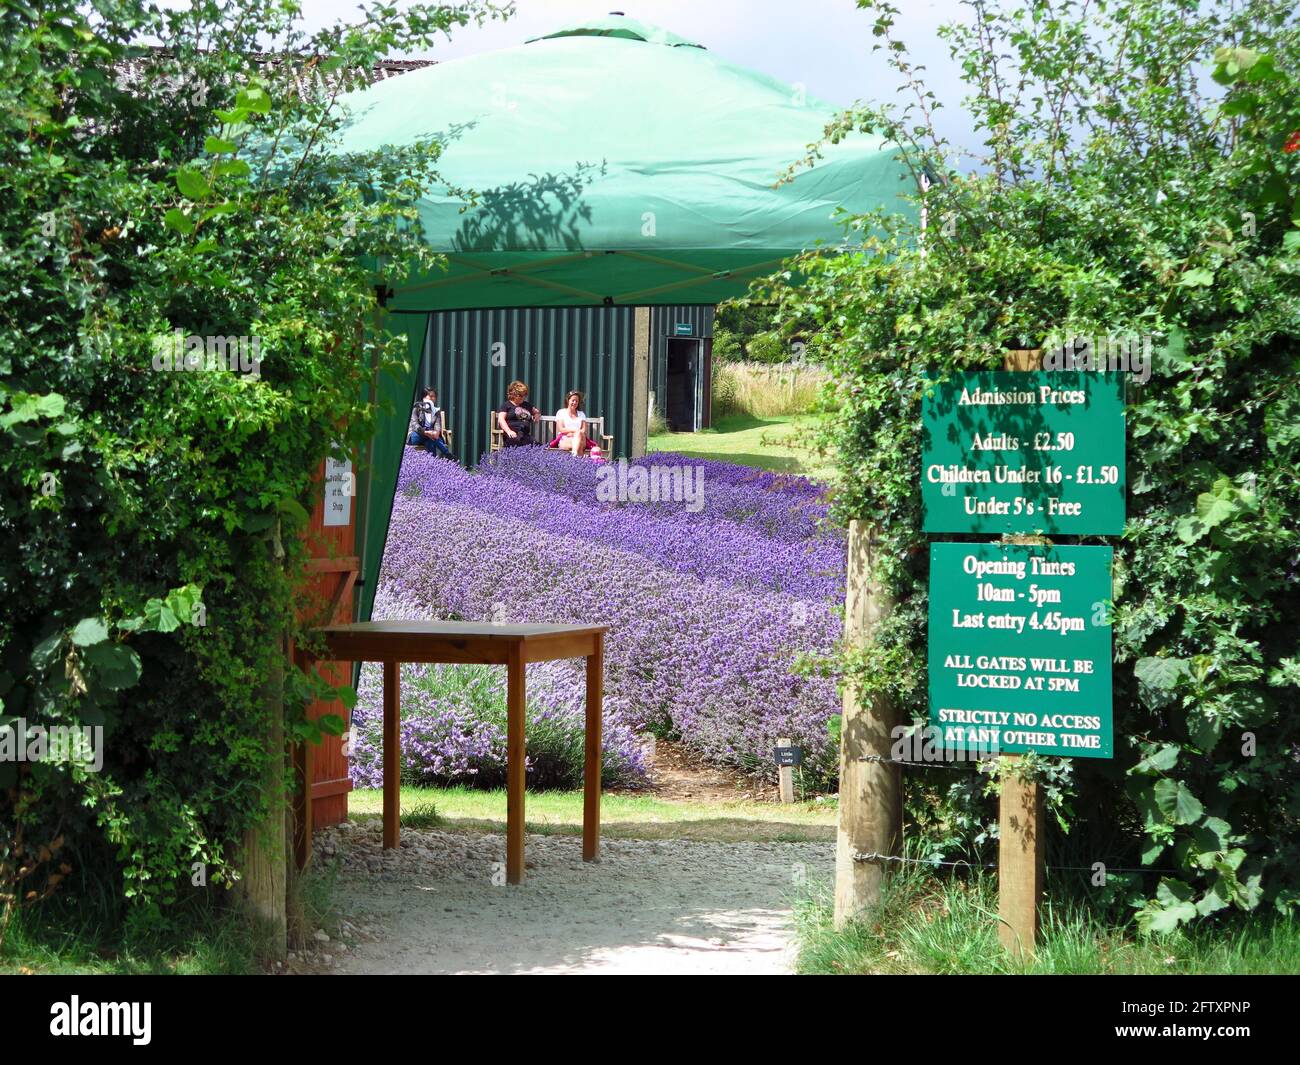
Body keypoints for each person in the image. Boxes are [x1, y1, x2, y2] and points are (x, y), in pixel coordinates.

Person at [407, 386, 453, 459]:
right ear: (424, 397)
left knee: (430, 442)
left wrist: (436, 433)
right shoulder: (416, 408)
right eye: (430, 396)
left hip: (431, 437)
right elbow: (415, 425)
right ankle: (447, 454)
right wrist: (426, 433)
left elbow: (437, 425)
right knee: (431, 439)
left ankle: (431, 465)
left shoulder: (436, 411)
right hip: (417, 435)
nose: (432, 398)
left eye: (434, 396)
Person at [496, 380, 543, 447]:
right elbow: (501, 419)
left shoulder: (527, 405)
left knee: (539, 447)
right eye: (520, 395)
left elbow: (536, 412)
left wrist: (537, 415)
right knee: (517, 443)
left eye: (524, 395)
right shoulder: (506, 405)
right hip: (512, 434)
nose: (523, 397)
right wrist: (509, 431)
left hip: (525, 434)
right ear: (513, 394)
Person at [551, 390, 589, 456]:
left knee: (579, 436)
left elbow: (584, 430)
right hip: (565, 438)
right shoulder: (561, 412)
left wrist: (575, 434)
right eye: (573, 400)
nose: (574, 402)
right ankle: (578, 460)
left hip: (580, 437)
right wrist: (575, 430)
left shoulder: (581, 414)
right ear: (568, 400)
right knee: (578, 444)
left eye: (576, 401)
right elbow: (561, 429)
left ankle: (574, 455)